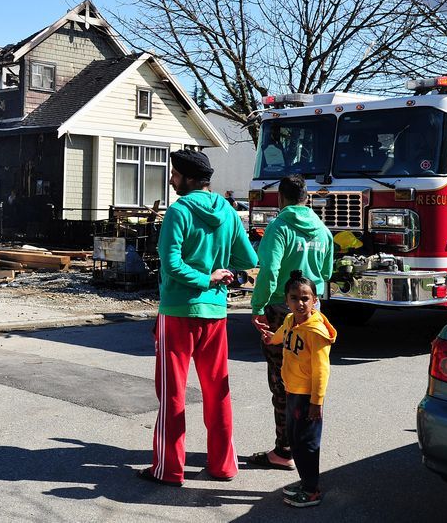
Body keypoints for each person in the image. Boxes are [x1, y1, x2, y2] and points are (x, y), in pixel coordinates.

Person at [138, 149, 258, 487]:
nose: (172, 180)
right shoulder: (229, 211)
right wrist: (221, 274)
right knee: (217, 391)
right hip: (215, 314)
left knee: (172, 393)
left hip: (178, 311)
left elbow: (171, 265)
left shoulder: (178, 212)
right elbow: (247, 256)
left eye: (175, 174)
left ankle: (168, 469)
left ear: (189, 178)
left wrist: (204, 277)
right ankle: (222, 465)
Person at [248, 174, 333, 471]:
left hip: (281, 309)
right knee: (308, 377)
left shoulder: (279, 227)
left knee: (281, 379)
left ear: (280, 198)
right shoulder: (323, 230)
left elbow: (269, 271)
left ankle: (284, 449)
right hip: (313, 309)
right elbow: (325, 271)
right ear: (307, 198)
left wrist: (257, 306)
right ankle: (304, 446)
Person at [258, 271, 337, 508]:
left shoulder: (316, 332)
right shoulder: (291, 321)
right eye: (295, 298)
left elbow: (322, 370)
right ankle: (305, 483)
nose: (300, 303)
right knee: (295, 439)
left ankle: (311, 490)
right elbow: (283, 335)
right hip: (292, 391)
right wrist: (271, 338)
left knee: (307, 443)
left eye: (306, 298)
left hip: (307, 397)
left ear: (315, 300)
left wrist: (317, 401)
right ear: (286, 300)